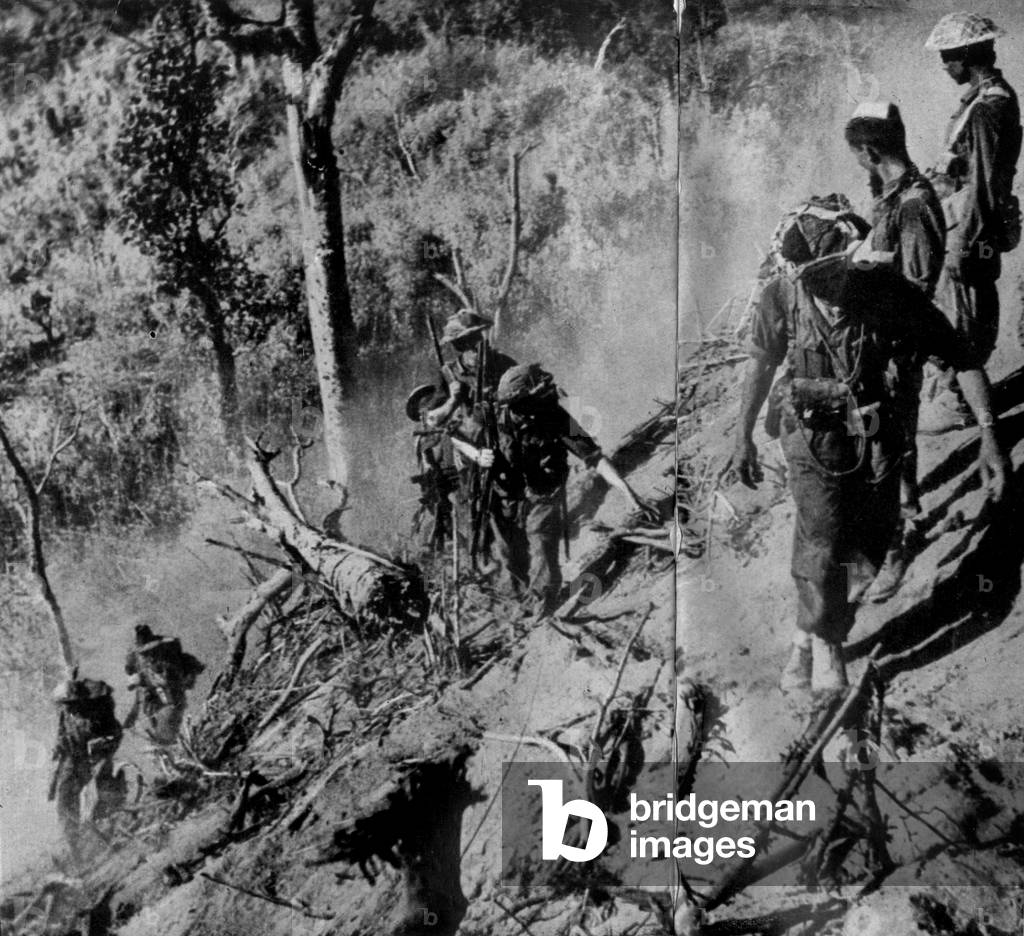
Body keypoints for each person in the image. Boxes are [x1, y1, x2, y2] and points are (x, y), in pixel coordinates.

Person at [731, 202, 1009, 693]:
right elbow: (761, 363)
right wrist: (743, 437)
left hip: (877, 436)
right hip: (811, 438)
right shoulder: (782, 296)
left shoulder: (888, 294)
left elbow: (960, 356)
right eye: (815, 278)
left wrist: (989, 435)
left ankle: (805, 632)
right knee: (823, 537)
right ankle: (828, 646)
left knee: (870, 545)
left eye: (834, 273)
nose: (828, 286)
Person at [845, 101, 946, 601]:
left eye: (859, 157)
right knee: (889, 438)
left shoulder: (912, 203)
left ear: (870, 150)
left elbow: (918, 284)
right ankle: (902, 518)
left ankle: (899, 539)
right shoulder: (891, 196)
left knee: (892, 440)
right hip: (881, 341)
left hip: (896, 345)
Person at [466, 363, 654, 617]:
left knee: (542, 541)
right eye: (516, 405)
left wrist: (627, 491)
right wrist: (478, 455)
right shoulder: (488, 414)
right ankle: (521, 604)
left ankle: (544, 603)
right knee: (510, 555)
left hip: (544, 492)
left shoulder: (558, 417)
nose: (523, 410)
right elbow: (456, 438)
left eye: (527, 403)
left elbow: (595, 457)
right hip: (505, 494)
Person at [921, 12, 1022, 431]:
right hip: (966, 224)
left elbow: (983, 184)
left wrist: (964, 242)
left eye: (948, 58)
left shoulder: (987, 108)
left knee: (964, 312)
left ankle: (961, 402)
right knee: (960, 307)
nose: (945, 67)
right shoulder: (983, 101)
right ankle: (955, 390)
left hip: (967, 226)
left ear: (965, 55)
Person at [48, 677, 124, 856]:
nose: (67, 707)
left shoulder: (98, 711)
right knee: (64, 798)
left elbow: (115, 732)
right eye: (64, 703)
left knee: (100, 797)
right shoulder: (65, 713)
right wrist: (58, 746)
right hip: (73, 757)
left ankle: (108, 833)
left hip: (96, 757)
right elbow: (62, 733)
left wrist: (102, 746)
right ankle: (73, 846)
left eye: (70, 703)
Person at [425, 309, 518, 430]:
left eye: (478, 336)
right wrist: (453, 401)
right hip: (474, 439)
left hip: (508, 428)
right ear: (459, 345)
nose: (478, 343)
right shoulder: (450, 374)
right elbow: (430, 420)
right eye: (471, 339)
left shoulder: (502, 362)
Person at [124, 623, 204, 745]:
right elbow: (134, 684)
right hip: (153, 702)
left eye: (151, 651)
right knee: (154, 731)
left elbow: (168, 682)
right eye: (144, 653)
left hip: (172, 700)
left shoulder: (167, 660)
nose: (149, 656)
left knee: (166, 733)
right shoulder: (139, 662)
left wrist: (143, 679)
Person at [406, 383, 461, 553]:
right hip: (442, 491)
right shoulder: (423, 440)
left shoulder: (454, 425)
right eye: (422, 412)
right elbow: (427, 467)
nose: (426, 414)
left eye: (430, 405)